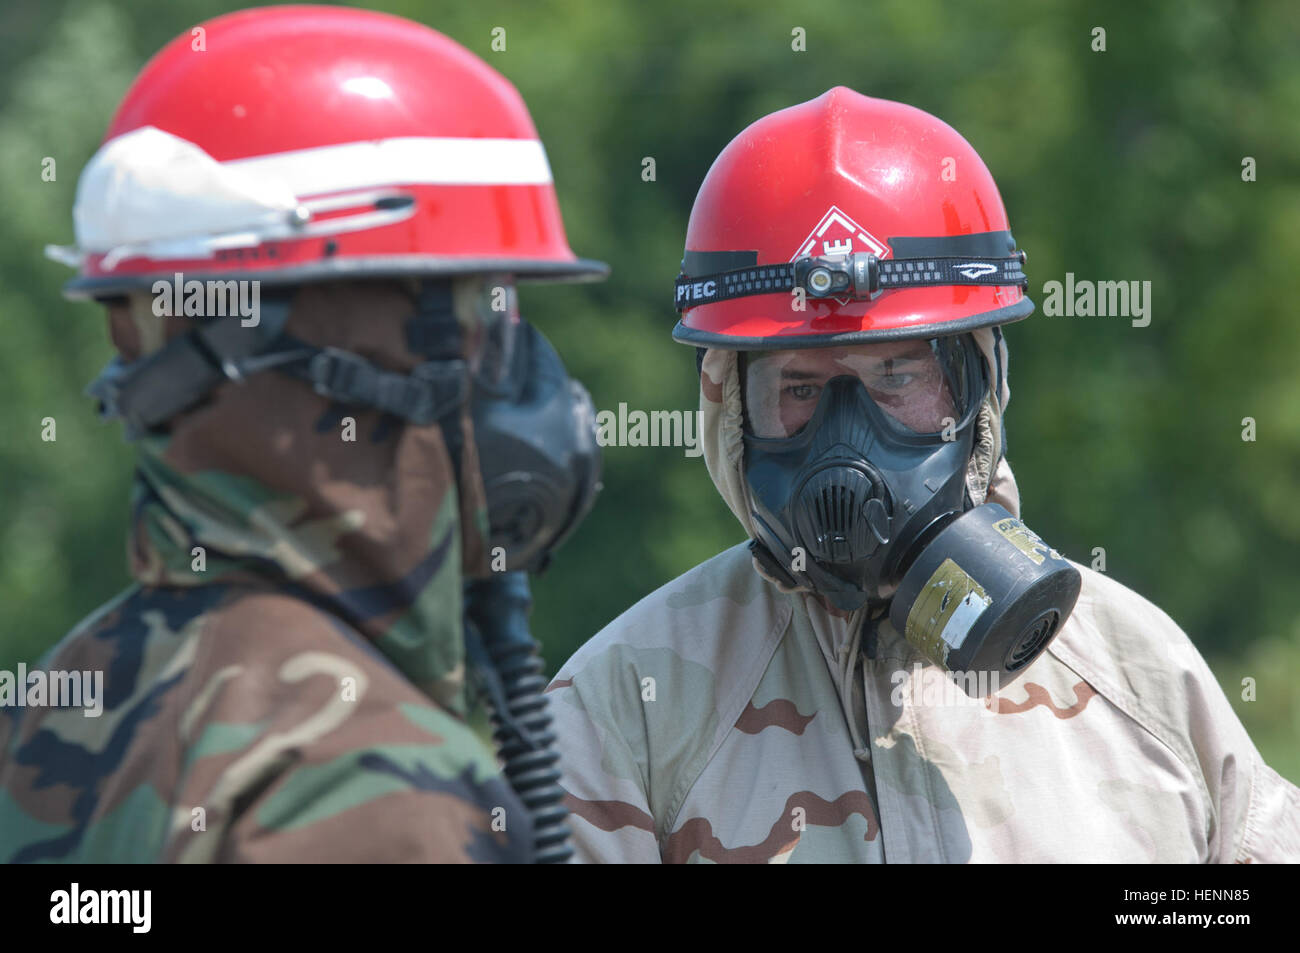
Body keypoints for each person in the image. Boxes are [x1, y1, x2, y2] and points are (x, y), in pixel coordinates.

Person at [547, 87, 1300, 863]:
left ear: (979, 385)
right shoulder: (622, 715)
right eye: (799, 387)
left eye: (898, 375)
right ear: (730, 407)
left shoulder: (1138, 679)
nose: (848, 446)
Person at [0, 6, 604, 863]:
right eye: (486, 313)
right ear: (345, 345)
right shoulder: (379, 798)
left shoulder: (46, 710)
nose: (524, 379)